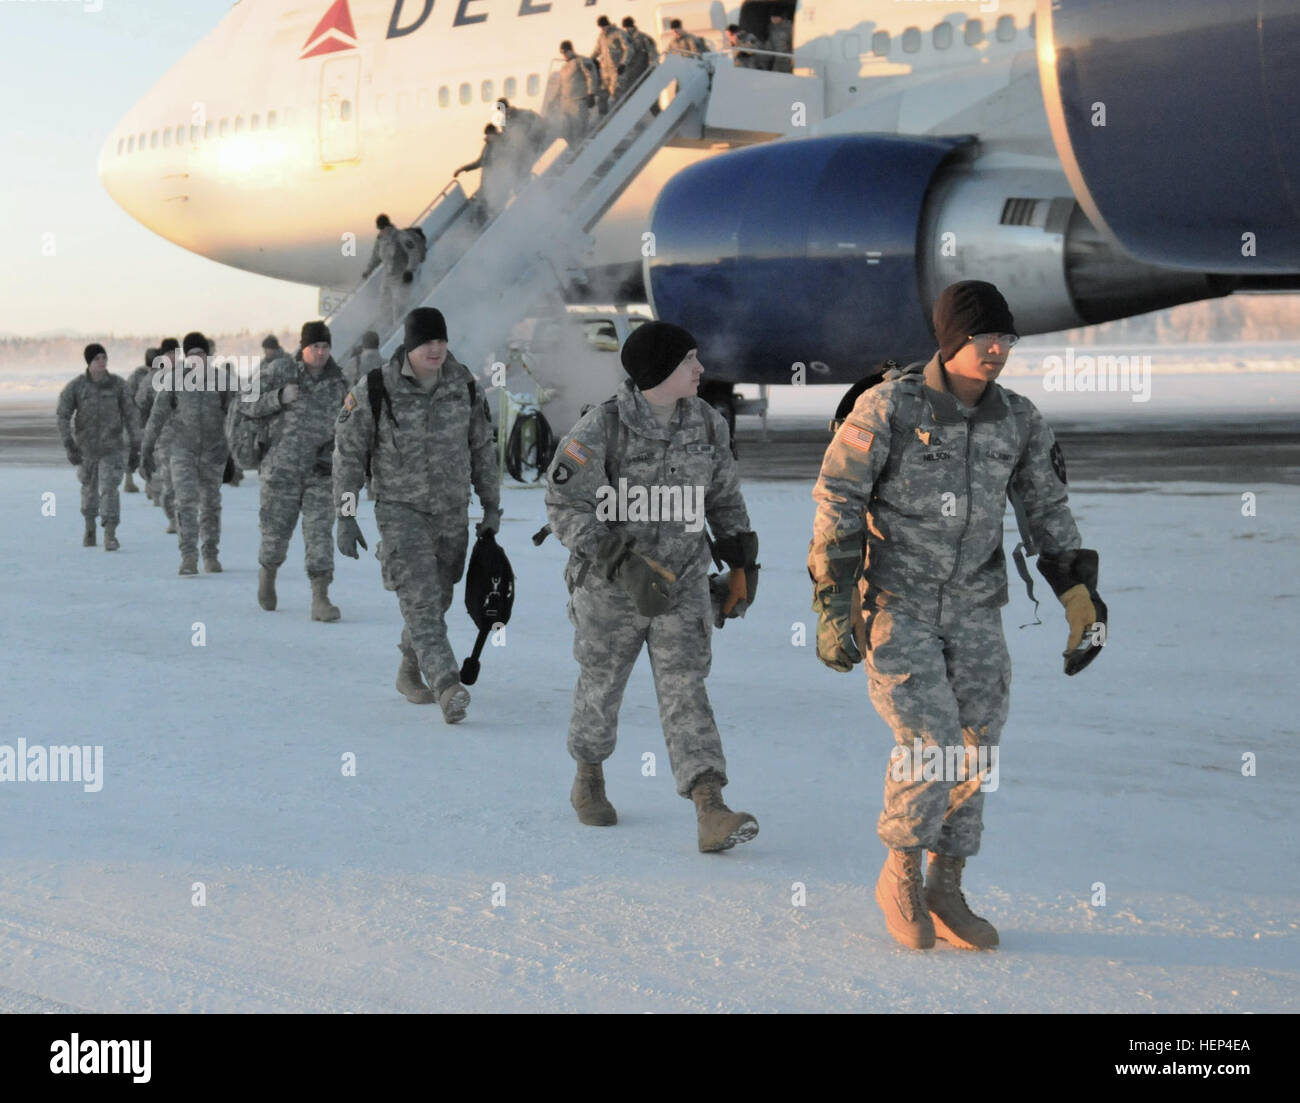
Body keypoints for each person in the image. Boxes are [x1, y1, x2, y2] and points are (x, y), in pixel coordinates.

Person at [808, 280, 1107, 951]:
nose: (998, 349)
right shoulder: (889, 406)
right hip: (897, 606)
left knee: (978, 744)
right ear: (952, 341)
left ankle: (948, 880)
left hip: (976, 606)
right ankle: (902, 874)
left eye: (1006, 338)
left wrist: (1079, 596)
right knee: (931, 740)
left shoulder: (1019, 419)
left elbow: (1046, 509)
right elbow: (838, 498)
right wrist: (831, 599)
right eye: (983, 338)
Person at [544, 321, 762, 853]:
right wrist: (623, 564)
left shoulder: (707, 424)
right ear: (660, 370)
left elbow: (725, 500)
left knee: (686, 689)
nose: (700, 368)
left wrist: (740, 564)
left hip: (683, 583)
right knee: (601, 689)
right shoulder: (601, 429)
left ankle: (709, 804)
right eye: (690, 359)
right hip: (610, 590)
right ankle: (589, 775)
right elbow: (563, 506)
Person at [333, 307, 501, 724]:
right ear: (409, 345)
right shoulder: (375, 388)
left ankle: (409, 669)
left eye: (442, 341)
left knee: (438, 597)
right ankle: (447, 683)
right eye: (428, 342)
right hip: (398, 509)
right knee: (421, 599)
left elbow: (482, 448)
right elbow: (349, 455)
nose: (437, 349)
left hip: (450, 510)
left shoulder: (464, 386)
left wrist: (491, 506)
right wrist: (346, 514)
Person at [245, 320, 350, 620]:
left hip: (320, 471)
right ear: (303, 347)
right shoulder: (278, 371)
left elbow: (348, 425)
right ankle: (268, 573)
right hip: (282, 470)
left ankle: (320, 598)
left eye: (325, 347)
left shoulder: (340, 382)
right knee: (275, 534)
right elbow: (244, 402)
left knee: (319, 534)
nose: (320, 353)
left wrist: (334, 454)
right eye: (314, 346)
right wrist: (277, 397)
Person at [141, 331, 232, 575]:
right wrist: (146, 448)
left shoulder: (221, 380)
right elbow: (157, 416)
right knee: (186, 503)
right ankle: (189, 556)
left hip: (213, 452)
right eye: (192, 354)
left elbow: (234, 416)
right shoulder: (173, 380)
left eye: (201, 354)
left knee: (211, 504)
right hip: (183, 450)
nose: (197, 359)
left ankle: (211, 554)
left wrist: (234, 453)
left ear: (207, 355)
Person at [56, 343, 141, 551]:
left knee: (110, 489)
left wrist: (136, 445)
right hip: (86, 450)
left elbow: (132, 416)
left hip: (112, 448)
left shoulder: (118, 385)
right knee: (89, 490)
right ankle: (90, 527)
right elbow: (63, 414)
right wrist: (69, 443)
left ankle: (110, 534)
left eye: (104, 357)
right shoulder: (76, 386)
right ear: (89, 362)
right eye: (97, 358)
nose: (102, 361)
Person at [139, 338, 180, 528]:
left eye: (175, 352)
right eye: (169, 353)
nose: (173, 356)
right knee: (169, 479)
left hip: (187, 436)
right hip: (162, 437)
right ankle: (173, 517)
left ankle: (183, 515)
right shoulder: (152, 379)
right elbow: (140, 405)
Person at [360, 214, 411, 332]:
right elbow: (375, 257)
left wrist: (410, 270)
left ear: (388, 226)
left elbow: (413, 253)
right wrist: (368, 270)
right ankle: (387, 328)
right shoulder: (380, 240)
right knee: (384, 303)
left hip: (400, 274)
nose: (381, 231)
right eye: (380, 229)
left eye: (383, 228)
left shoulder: (400, 236)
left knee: (398, 303)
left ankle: (399, 328)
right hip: (387, 276)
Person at [454, 124, 507, 222]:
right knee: (480, 203)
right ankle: (480, 224)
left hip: (497, 182)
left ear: (494, 134)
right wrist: (462, 169)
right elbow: (480, 162)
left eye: (489, 135)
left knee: (491, 204)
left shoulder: (502, 145)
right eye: (486, 135)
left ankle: (495, 221)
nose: (486, 137)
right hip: (487, 181)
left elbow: (505, 163)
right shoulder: (487, 147)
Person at [123, 346, 158, 495]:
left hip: (140, 418)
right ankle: (146, 485)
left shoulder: (137, 375)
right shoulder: (145, 376)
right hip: (143, 419)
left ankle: (135, 482)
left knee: (141, 451)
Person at [556, 40, 599, 150]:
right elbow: (561, 87)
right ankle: (573, 151)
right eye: (562, 52)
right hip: (566, 104)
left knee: (579, 130)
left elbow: (591, 76)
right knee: (567, 131)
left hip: (578, 102)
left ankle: (582, 152)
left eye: (565, 52)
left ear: (571, 50)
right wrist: (555, 101)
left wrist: (591, 93)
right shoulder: (564, 68)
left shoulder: (582, 61)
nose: (564, 54)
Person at [590, 15, 627, 115]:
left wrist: (624, 63)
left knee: (615, 94)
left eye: (603, 26)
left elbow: (628, 49)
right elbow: (597, 50)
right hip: (605, 71)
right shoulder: (601, 36)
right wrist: (590, 60)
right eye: (600, 27)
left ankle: (621, 117)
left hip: (616, 70)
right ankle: (603, 118)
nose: (602, 29)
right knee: (602, 95)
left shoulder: (618, 33)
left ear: (607, 24)